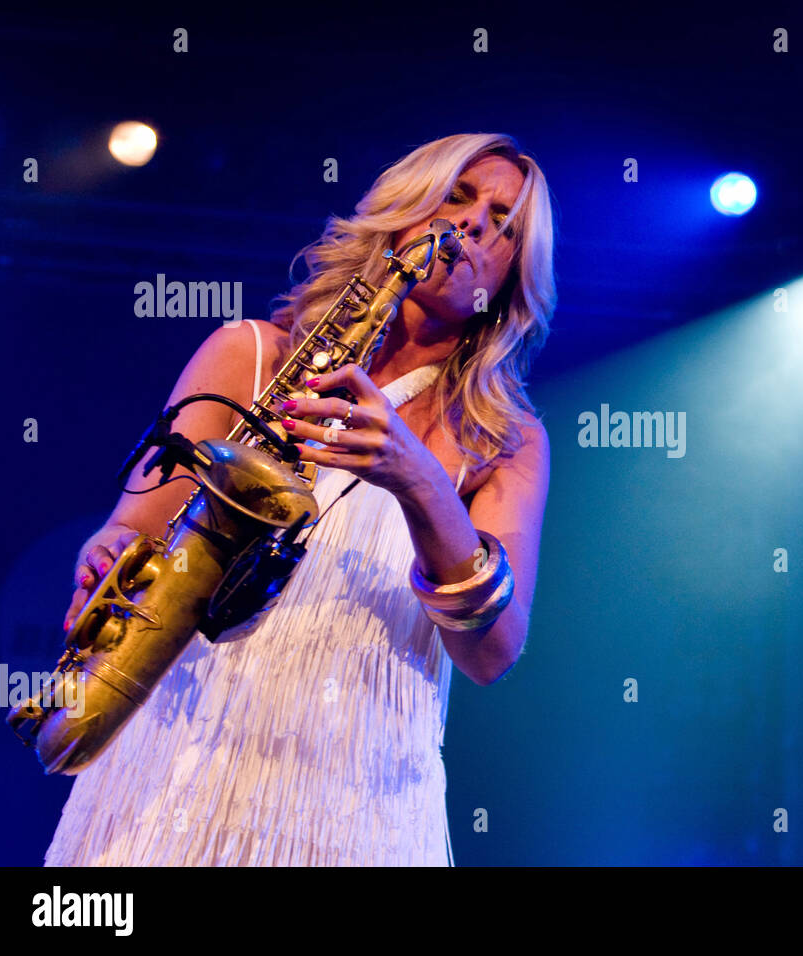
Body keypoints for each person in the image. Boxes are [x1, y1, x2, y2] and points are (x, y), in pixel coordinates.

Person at [43, 132, 556, 866]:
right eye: (458, 195)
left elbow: (492, 653)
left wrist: (417, 478)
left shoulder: (505, 437)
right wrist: (107, 554)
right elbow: (133, 525)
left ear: (513, 273)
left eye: (504, 221)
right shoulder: (249, 353)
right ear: (403, 214)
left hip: (357, 806)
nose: (473, 224)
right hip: (173, 773)